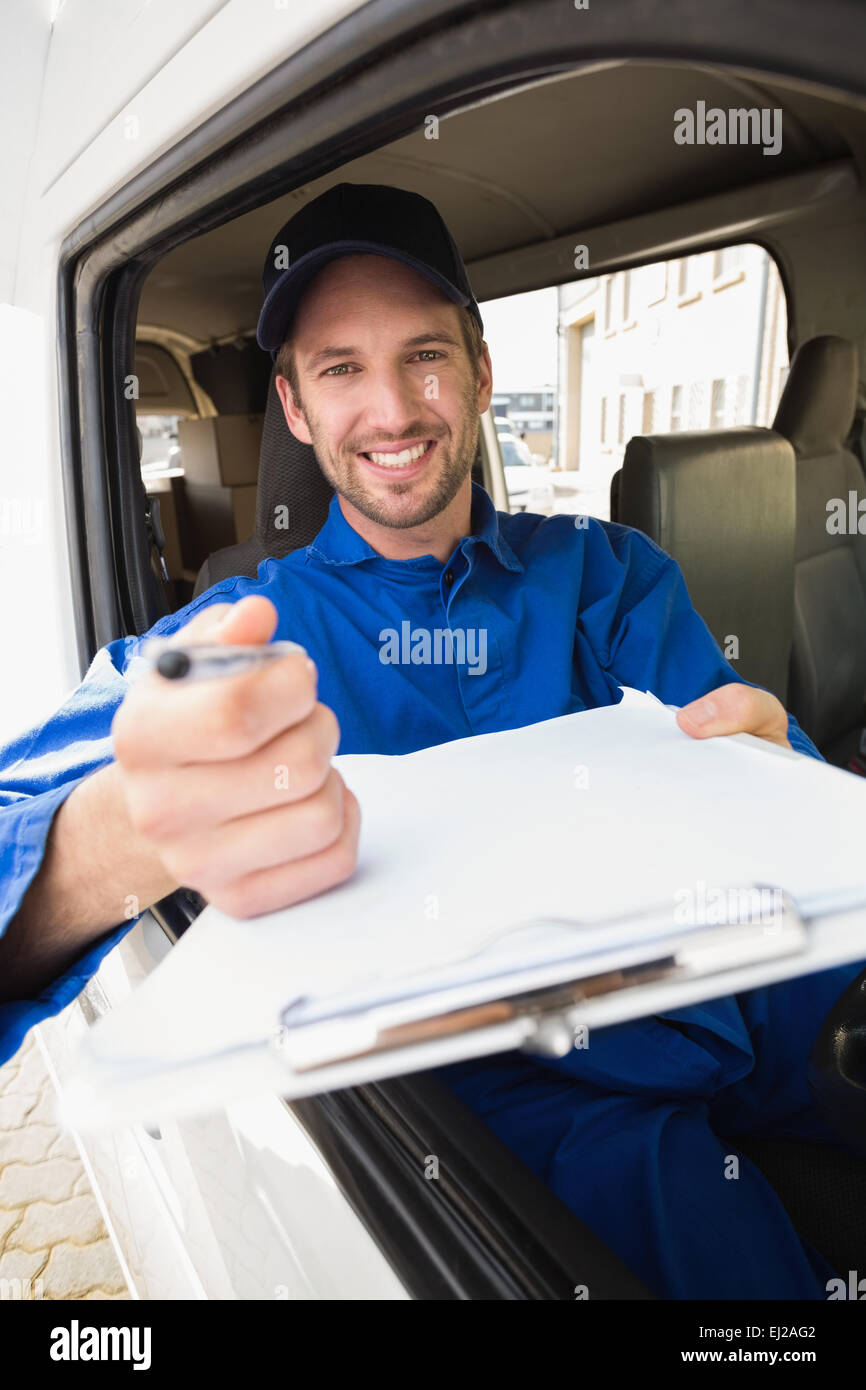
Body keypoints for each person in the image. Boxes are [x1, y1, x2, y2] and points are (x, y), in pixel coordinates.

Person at [0, 183, 860, 1299]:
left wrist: (778, 768)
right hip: (535, 1130)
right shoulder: (229, 644)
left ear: (481, 372)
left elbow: (747, 797)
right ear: (296, 410)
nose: (394, 410)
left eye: (424, 355)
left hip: (758, 1013)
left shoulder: (609, 574)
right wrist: (114, 842)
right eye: (340, 368)